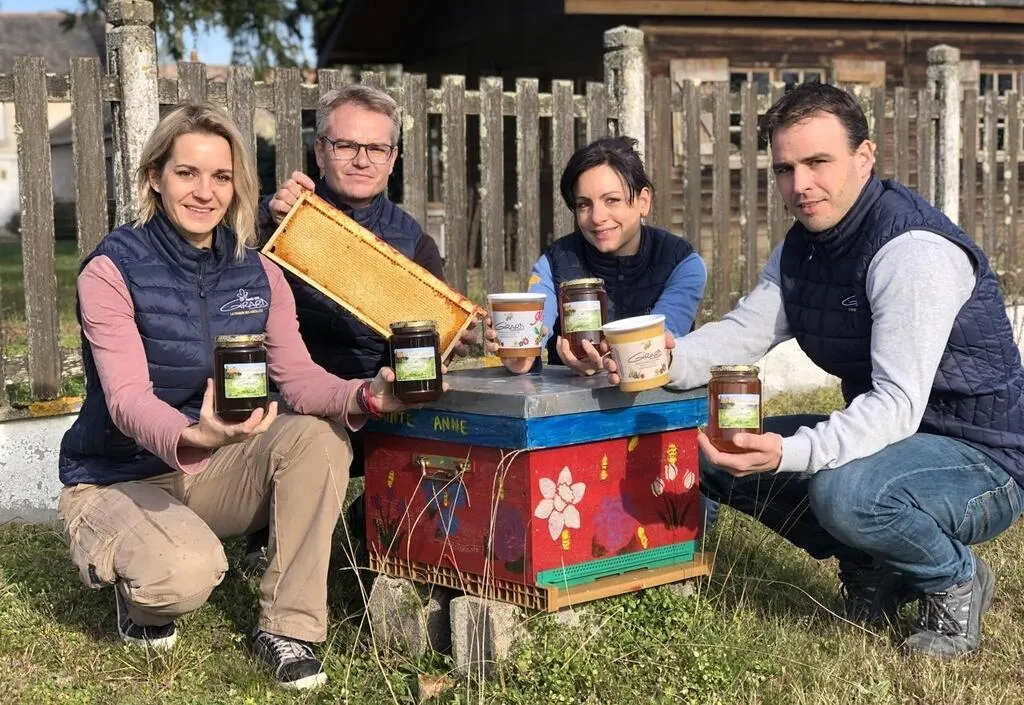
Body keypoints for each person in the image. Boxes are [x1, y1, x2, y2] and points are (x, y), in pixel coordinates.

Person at [607, 82, 1024, 659]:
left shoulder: (912, 253)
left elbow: (897, 405)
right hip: (895, 444)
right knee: (704, 448)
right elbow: (743, 332)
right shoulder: (804, 246)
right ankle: (873, 566)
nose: (800, 185)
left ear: (865, 157)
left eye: (817, 162)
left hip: (980, 458)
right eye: (785, 168)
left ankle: (954, 580)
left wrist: (789, 454)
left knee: (844, 492)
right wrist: (655, 360)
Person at [56, 102, 422, 690]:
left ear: (237, 186)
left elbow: (299, 379)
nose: (205, 192)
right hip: (116, 475)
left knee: (317, 435)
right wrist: (195, 433)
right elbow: (125, 399)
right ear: (155, 176)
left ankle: (288, 626)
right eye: (187, 173)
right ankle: (142, 594)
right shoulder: (111, 269)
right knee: (183, 576)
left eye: (221, 176)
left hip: (211, 469)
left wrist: (368, 395)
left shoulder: (257, 271)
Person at [253, 84, 475, 568]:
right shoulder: (279, 218)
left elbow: (430, 346)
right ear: (319, 150)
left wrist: (452, 340)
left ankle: (382, 535)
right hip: (294, 402)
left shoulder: (413, 241)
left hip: (381, 401)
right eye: (346, 145)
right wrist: (264, 218)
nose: (361, 160)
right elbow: (216, 256)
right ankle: (269, 529)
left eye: (376, 148)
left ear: (393, 158)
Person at [497, 135, 707, 377]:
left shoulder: (682, 263)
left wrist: (605, 361)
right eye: (584, 204)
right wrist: (519, 358)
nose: (597, 217)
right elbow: (534, 330)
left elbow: (658, 345)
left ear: (643, 201)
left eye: (612, 200)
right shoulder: (553, 264)